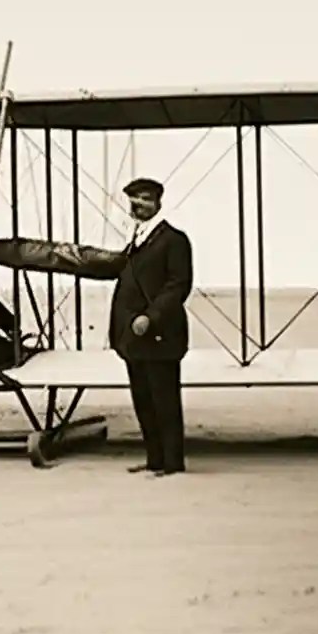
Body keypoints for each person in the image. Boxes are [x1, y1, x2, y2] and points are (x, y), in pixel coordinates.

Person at [107, 177, 194, 477]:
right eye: (133, 199)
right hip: (133, 337)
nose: (138, 205)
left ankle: (172, 462)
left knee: (164, 400)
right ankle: (154, 459)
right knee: (143, 400)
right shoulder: (137, 239)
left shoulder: (173, 239)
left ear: (158, 202)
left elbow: (178, 285)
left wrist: (151, 317)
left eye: (144, 199)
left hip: (160, 334)